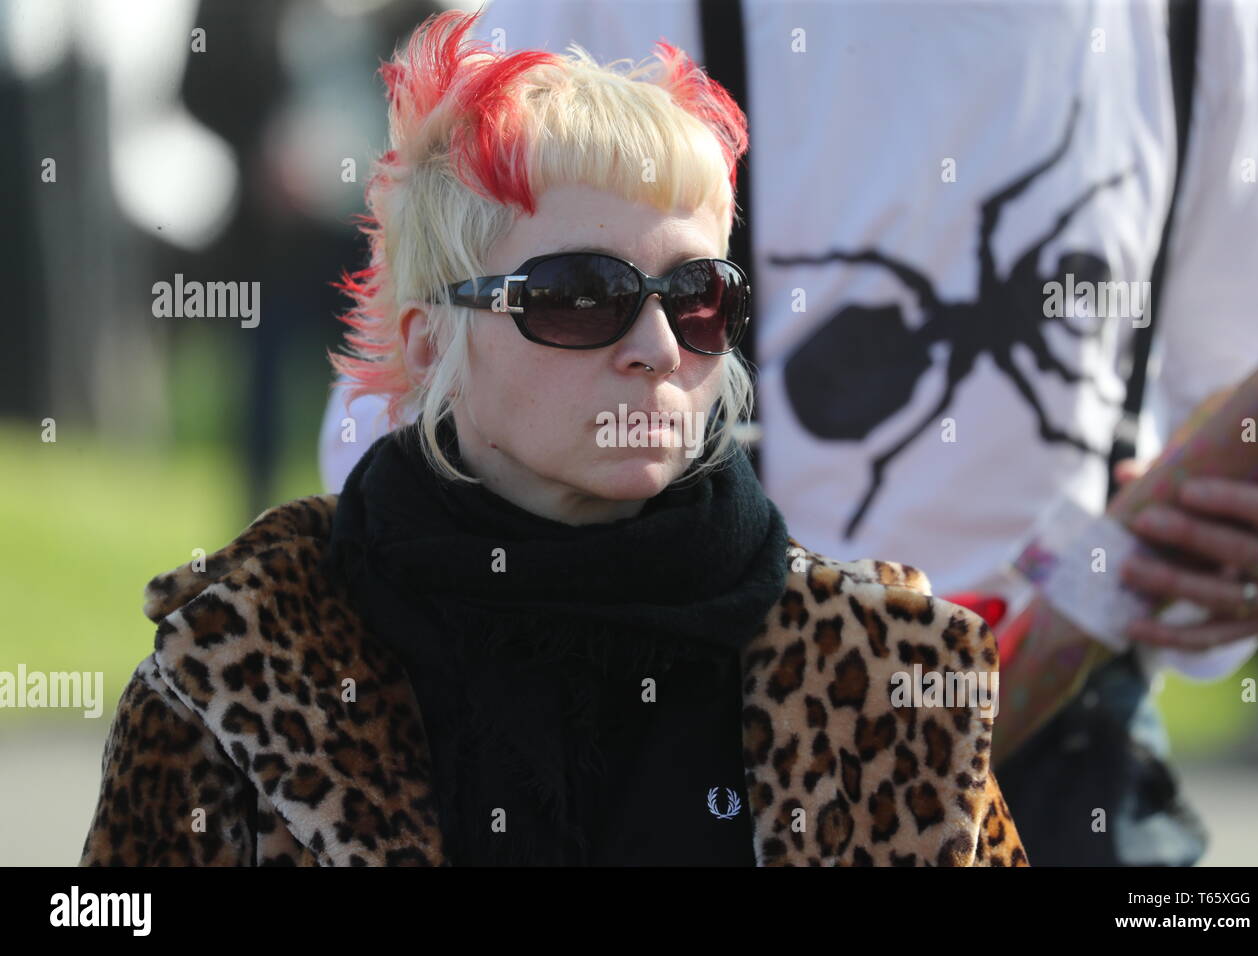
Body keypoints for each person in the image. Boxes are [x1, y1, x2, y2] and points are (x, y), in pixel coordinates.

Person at [318, 0, 1258, 866]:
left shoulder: (1200, 13)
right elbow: (407, 390)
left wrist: (1242, 543)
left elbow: (1240, 384)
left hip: (1061, 731)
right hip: (710, 735)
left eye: (701, 300)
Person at [79, 9, 1026, 867]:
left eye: (699, 299)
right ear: (433, 338)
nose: (656, 349)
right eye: (582, 296)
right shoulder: (237, 661)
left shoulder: (887, 679)